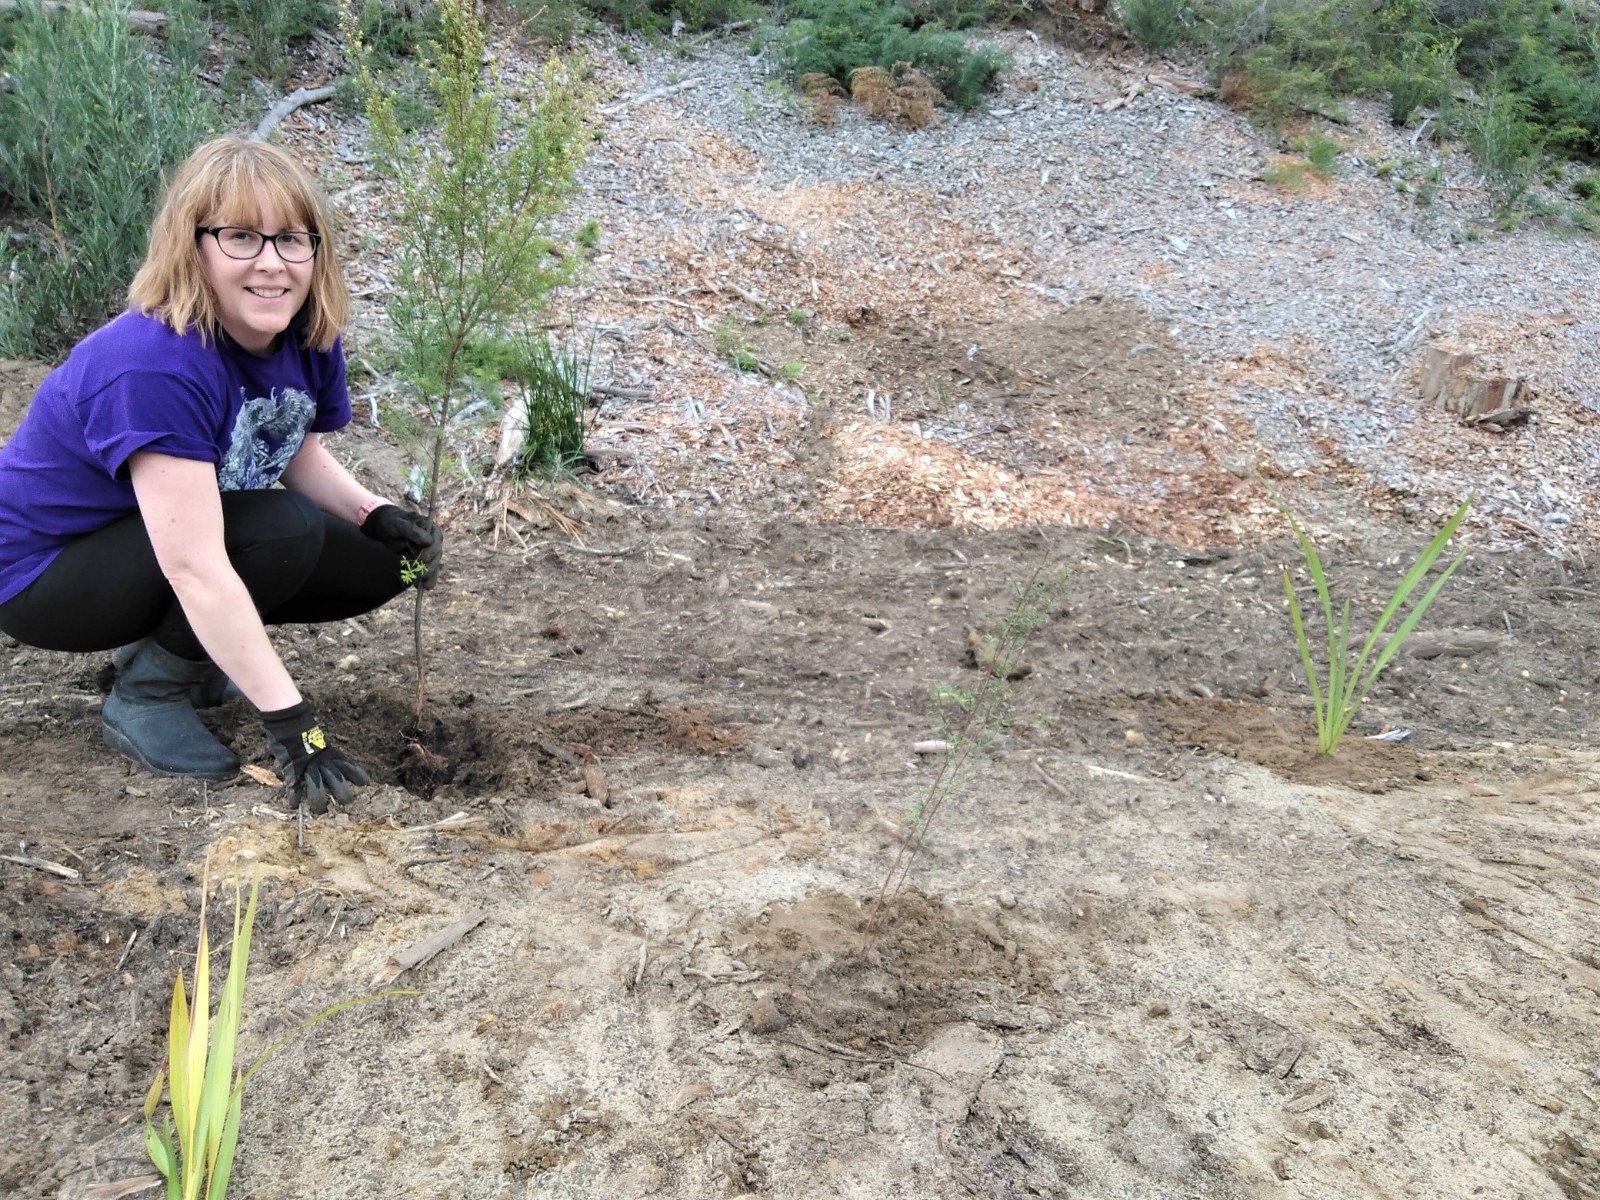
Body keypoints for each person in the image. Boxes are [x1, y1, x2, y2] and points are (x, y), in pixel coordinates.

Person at [0, 135, 443, 811]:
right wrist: (297, 730)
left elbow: (293, 453)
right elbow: (195, 567)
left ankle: (196, 659)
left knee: (392, 564)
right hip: (42, 577)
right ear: (193, 246)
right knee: (280, 531)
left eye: (292, 239)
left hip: (148, 544)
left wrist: (375, 516)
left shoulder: (303, 332)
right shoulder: (156, 362)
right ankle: (147, 692)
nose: (272, 264)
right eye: (241, 237)